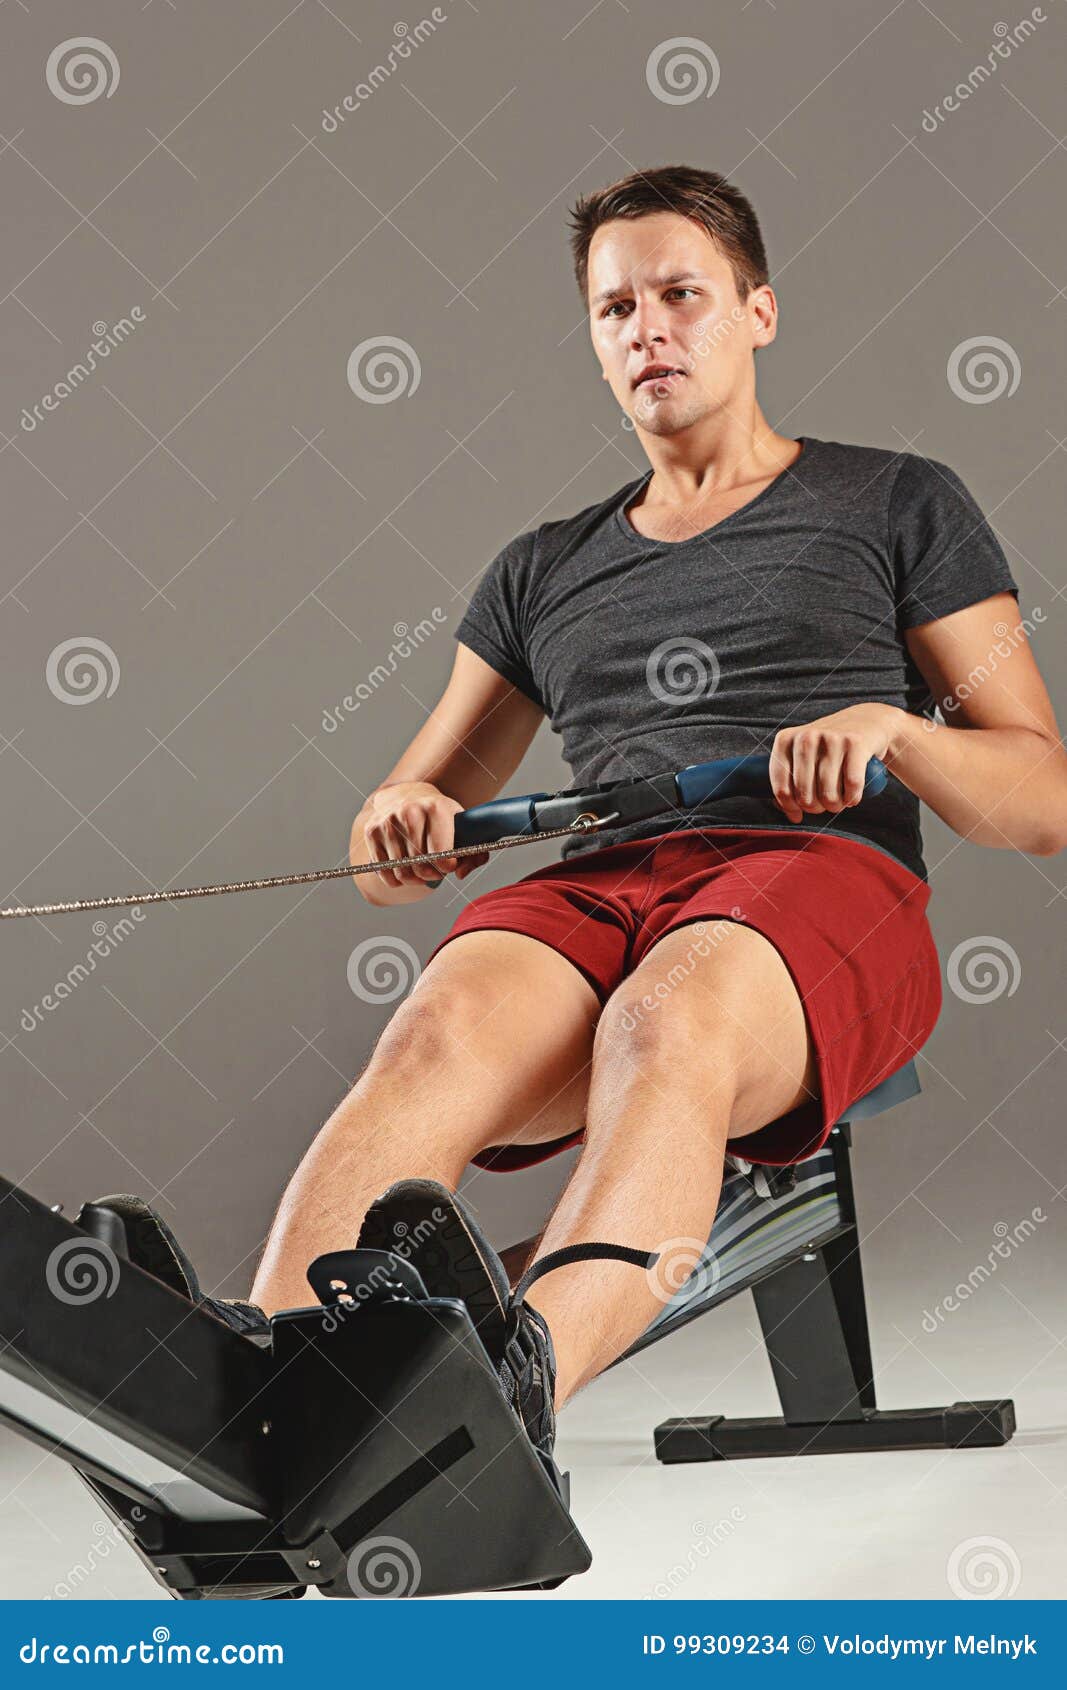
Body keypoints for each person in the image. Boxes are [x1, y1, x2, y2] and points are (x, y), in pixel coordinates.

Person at [231, 165, 1064, 1459]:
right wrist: (400, 820)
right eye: (616, 308)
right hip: (603, 889)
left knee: (665, 1015)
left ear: (759, 310)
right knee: (436, 1028)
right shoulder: (543, 567)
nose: (648, 329)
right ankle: (262, 1408)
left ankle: (504, 1398)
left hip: (822, 883)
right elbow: (393, 845)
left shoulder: (897, 501)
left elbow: (1045, 796)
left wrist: (897, 730)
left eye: (682, 293)